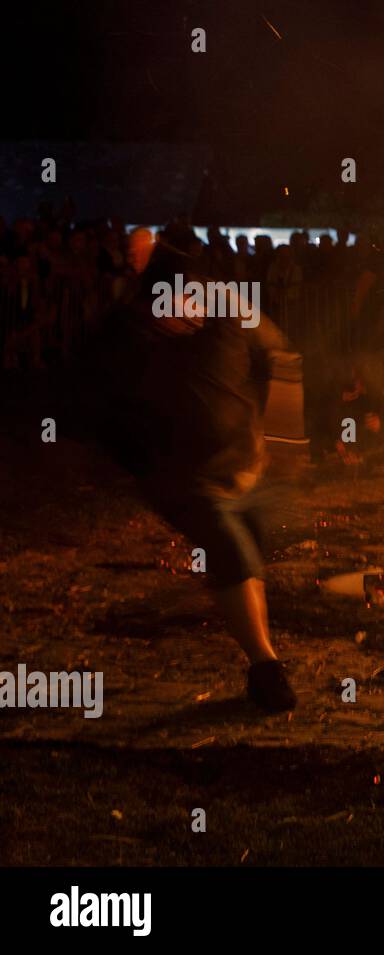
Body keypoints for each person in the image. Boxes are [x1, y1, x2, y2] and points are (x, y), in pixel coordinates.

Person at [91, 239, 298, 712]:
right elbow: (97, 397)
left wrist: (286, 437)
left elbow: (282, 353)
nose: (184, 307)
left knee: (249, 554)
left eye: (192, 294)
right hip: (183, 478)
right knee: (231, 551)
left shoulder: (229, 311)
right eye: (171, 298)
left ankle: (250, 635)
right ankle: (266, 669)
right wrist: (135, 455)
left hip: (245, 467)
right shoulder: (128, 331)